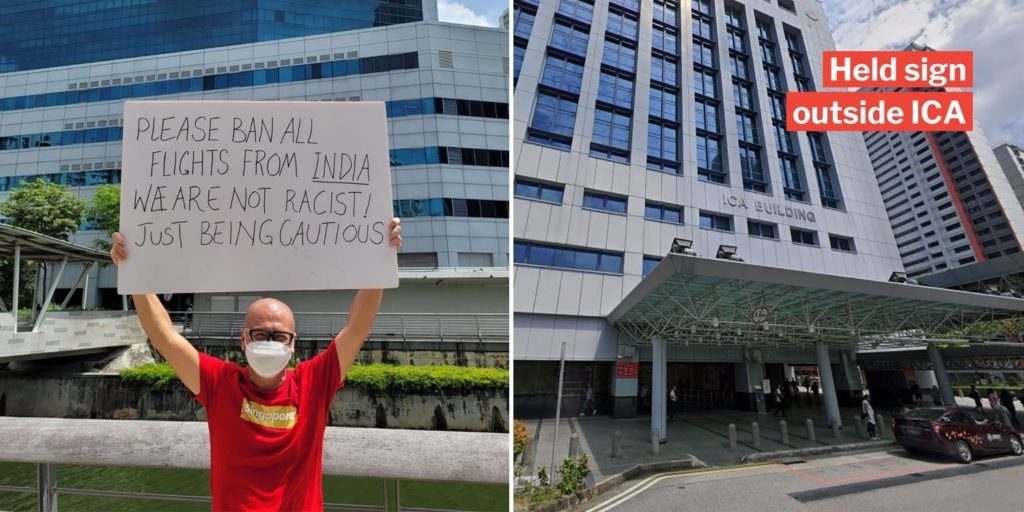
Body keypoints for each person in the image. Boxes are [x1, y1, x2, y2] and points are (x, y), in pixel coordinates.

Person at [110, 219, 402, 511]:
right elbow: (165, 336)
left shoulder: (313, 383)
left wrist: (381, 260)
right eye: (261, 334)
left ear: (292, 343)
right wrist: (135, 274)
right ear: (244, 339)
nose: (270, 342)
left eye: (279, 335)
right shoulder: (218, 382)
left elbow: (358, 327)